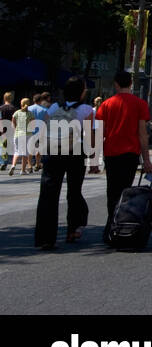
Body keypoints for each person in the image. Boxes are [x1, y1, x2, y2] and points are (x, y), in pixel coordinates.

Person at [34, 77, 93, 249]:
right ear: (81, 91)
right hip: (75, 152)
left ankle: (45, 238)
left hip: (53, 152)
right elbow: (89, 136)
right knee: (74, 192)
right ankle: (73, 229)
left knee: (48, 195)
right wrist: (94, 158)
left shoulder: (53, 107)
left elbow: (43, 128)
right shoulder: (86, 109)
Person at [95, 71, 152, 241]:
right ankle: (121, 225)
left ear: (116, 84)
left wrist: (94, 159)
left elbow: (100, 133)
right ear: (131, 84)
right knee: (125, 190)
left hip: (111, 152)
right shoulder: (140, 104)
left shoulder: (106, 104)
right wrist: (147, 160)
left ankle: (110, 226)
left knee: (111, 191)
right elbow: (143, 134)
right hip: (130, 153)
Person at [8, 98, 34, 176]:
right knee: (25, 153)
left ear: (21, 104)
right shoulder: (30, 114)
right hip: (27, 135)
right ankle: (22, 170)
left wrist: (17, 129)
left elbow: (13, 124)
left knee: (17, 152)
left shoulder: (16, 113)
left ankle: (13, 165)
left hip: (17, 134)